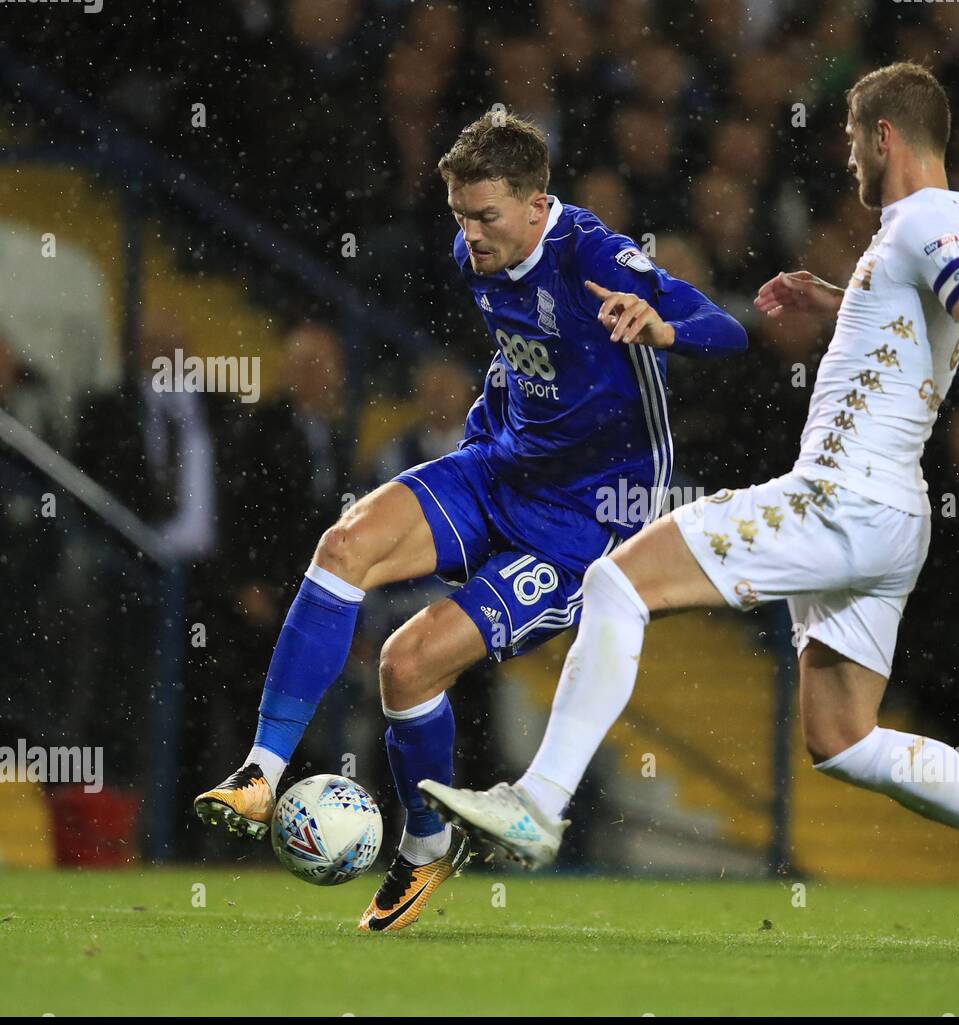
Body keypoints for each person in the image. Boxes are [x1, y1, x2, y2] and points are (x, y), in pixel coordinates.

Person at [424, 64, 959, 960]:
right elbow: (923, 330)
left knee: (614, 580)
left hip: (842, 495)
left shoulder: (932, 220)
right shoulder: (922, 231)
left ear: (884, 139)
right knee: (842, 737)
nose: (847, 155)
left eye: (853, 139)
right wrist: (837, 301)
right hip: (891, 518)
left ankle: (540, 802)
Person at [193, 111, 747, 933]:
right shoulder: (473, 253)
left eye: (487, 216)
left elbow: (729, 332)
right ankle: (261, 772)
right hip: (493, 470)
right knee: (342, 546)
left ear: (536, 203)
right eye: (460, 214)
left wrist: (662, 325)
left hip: (577, 527)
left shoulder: (595, 254)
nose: (472, 234)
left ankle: (423, 847)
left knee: (406, 665)